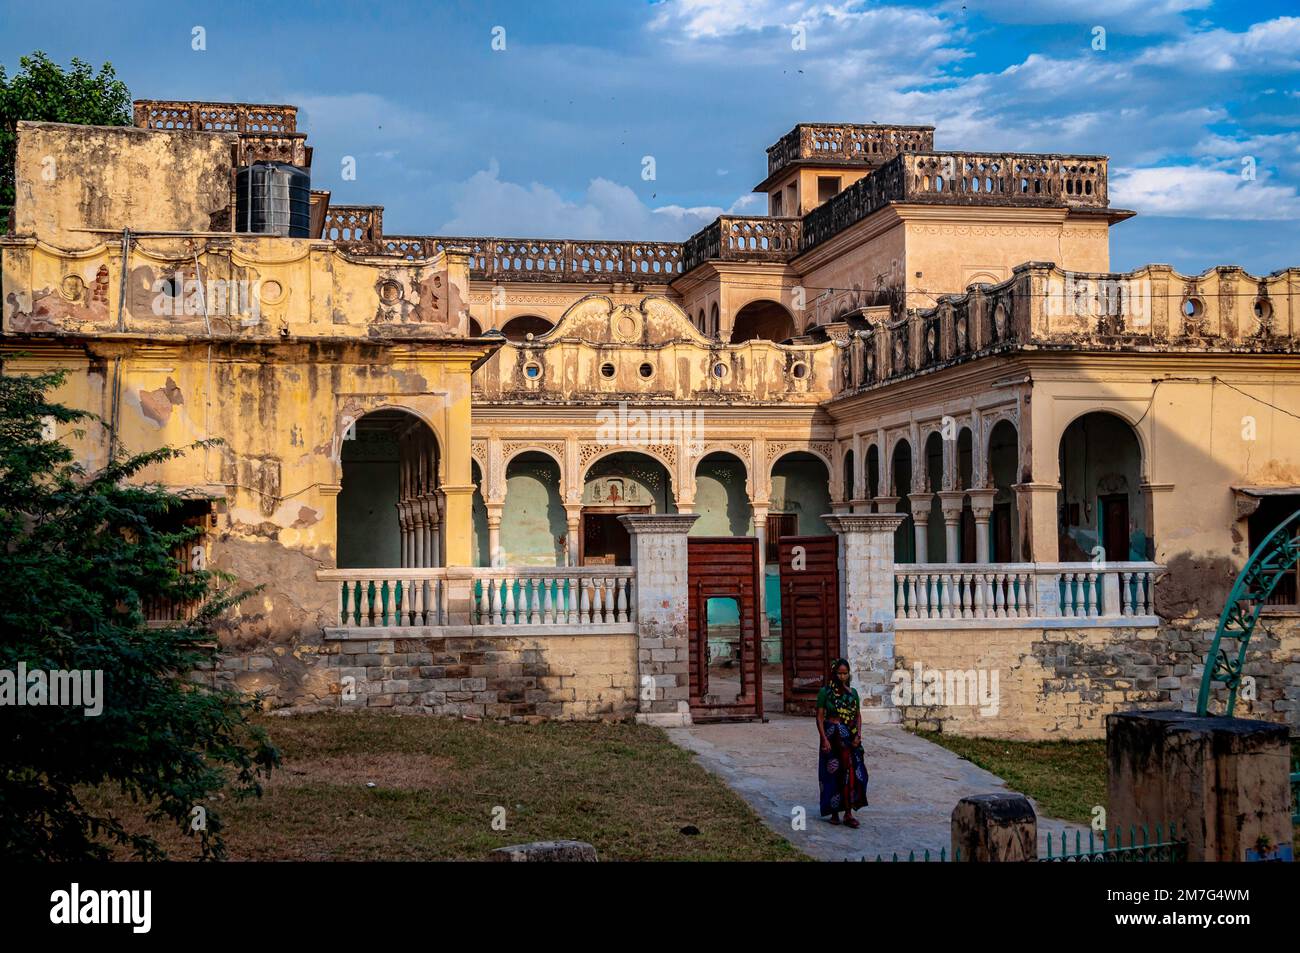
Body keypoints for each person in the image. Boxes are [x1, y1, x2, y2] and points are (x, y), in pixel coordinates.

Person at [816, 657, 868, 827]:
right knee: (832, 774)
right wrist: (824, 739)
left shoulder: (853, 693)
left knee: (851, 773)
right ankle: (833, 813)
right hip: (832, 738)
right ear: (833, 674)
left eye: (845, 673)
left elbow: (858, 716)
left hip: (850, 738)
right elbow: (820, 717)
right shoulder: (825, 693)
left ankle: (848, 812)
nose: (842, 676)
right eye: (839, 673)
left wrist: (858, 735)